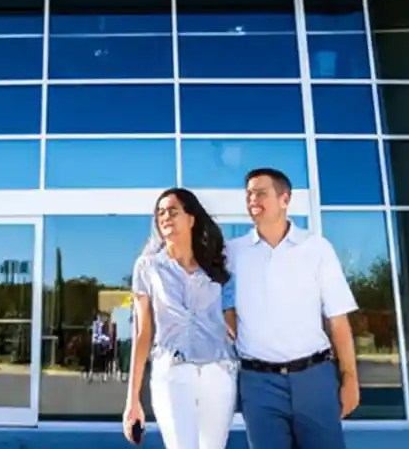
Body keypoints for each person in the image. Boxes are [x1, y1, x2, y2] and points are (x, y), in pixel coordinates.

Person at [223, 167, 361, 448]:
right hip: (259, 384)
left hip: (315, 379)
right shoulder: (233, 253)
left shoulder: (317, 248)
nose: (252, 200)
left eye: (260, 193)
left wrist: (349, 378)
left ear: (285, 199)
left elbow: (338, 320)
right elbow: (226, 309)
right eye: (248, 194)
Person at [123, 188, 237, 449]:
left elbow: (232, 322)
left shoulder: (218, 266)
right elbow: (143, 333)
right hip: (172, 373)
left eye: (173, 211)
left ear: (191, 219)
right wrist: (133, 399)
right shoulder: (147, 267)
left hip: (218, 372)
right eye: (160, 212)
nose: (165, 217)